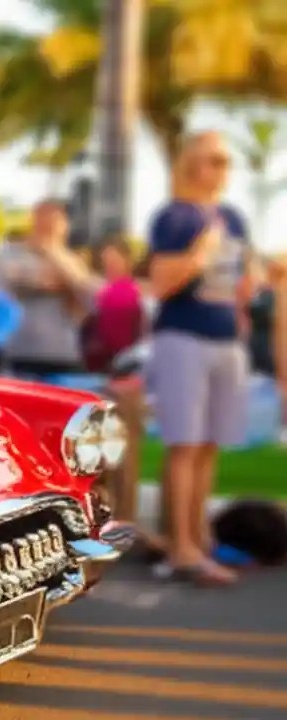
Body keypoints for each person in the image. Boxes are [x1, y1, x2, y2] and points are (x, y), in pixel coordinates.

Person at [147, 130, 257, 586]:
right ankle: (182, 550)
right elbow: (160, 283)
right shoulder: (174, 217)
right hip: (183, 338)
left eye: (227, 161)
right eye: (214, 159)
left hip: (224, 340)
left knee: (210, 443)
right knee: (184, 445)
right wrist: (198, 254)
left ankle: (201, 538)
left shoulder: (233, 217)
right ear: (192, 163)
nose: (222, 168)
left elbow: (240, 282)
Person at [0, 200, 98, 377]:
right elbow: (26, 280)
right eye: (42, 217)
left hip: (65, 354)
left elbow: (88, 293)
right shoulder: (9, 254)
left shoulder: (73, 259)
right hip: (20, 354)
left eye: (55, 219)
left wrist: (52, 251)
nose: (47, 225)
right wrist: (69, 280)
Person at [84, 237, 146, 373]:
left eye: (114, 260)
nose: (109, 265)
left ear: (128, 262)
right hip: (99, 361)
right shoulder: (99, 287)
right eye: (105, 261)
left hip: (128, 362)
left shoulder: (136, 290)